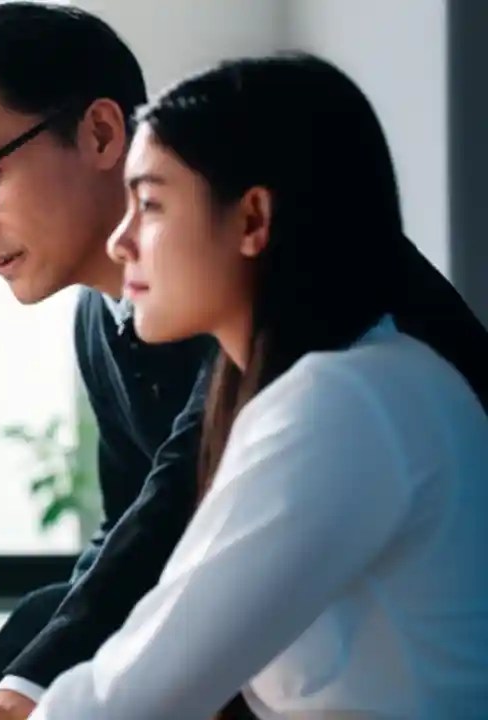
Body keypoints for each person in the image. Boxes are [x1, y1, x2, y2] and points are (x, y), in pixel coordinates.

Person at [0, 4, 488, 720]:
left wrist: (3, 705)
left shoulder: (338, 383)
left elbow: (167, 551)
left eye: (152, 204)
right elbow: (132, 546)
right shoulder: (115, 322)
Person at [26, 52, 488, 719]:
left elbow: (130, 697)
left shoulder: (345, 403)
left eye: (150, 204)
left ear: (252, 221)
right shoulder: (366, 380)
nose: (122, 240)